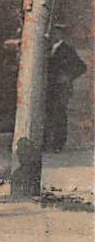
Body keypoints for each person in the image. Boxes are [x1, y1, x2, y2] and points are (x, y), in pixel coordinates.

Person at [44, 24, 87, 153]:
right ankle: (47, 143)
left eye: (56, 33)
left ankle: (58, 144)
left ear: (61, 34)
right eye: (53, 33)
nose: (53, 35)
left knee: (59, 114)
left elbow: (81, 67)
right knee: (49, 114)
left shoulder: (67, 50)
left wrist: (68, 76)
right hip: (50, 87)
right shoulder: (47, 48)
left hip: (62, 88)